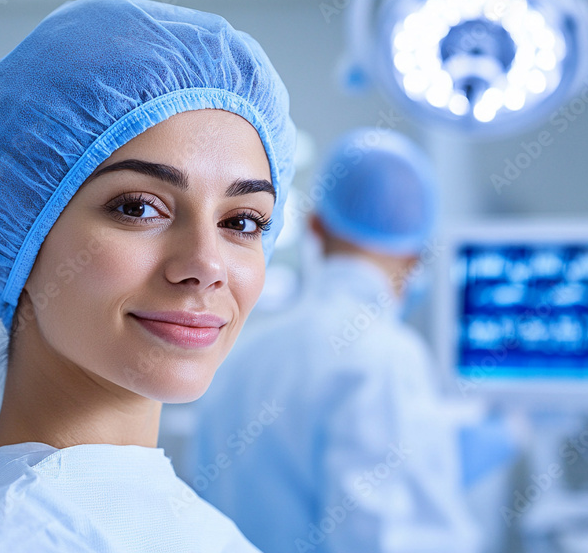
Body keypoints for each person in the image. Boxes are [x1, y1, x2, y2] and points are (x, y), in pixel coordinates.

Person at [0, 0, 295, 551]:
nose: (206, 266)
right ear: (20, 227)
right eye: (138, 208)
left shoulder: (155, 516)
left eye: (242, 221)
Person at [188, 128, 482, 553]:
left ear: (315, 226)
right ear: (417, 256)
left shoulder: (237, 352)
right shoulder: (386, 356)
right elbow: (386, 540)